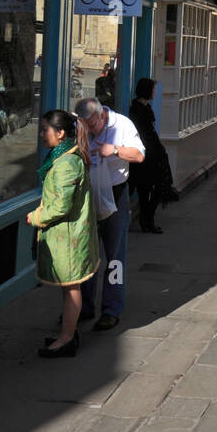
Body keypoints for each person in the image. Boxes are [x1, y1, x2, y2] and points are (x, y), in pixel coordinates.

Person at [27, 110, 100, 358]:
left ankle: (67, 338)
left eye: (44, 130)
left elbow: (61, 206)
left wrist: (36, 217)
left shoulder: (66, 163)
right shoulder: (65, 156)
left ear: (59, 134)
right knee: (70, 287)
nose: (41, 134)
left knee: (71, 288)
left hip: (69, 239)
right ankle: (68, 333)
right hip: (68, 236)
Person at [74, 97, 145, 330]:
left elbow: (139, 155)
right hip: (88, 194)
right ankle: (83, 306)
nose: (91, 131)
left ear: (102, 115)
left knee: (114, 256)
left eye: (93, 126)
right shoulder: (82, 126)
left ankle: (111, 309)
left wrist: (113, 149)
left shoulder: (122, 124)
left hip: (115, 193)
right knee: (87, 254)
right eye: (86, 127)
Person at [128, 78, 166, 234]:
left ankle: (147, 219)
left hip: (151, 154)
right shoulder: (137, 110)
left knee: (149, 188)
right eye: (153, 89)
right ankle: (147, 220)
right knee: (146, 188)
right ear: (147, 90)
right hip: (143, 156)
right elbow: (143, 134)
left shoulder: (145, 107)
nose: (155, 92)